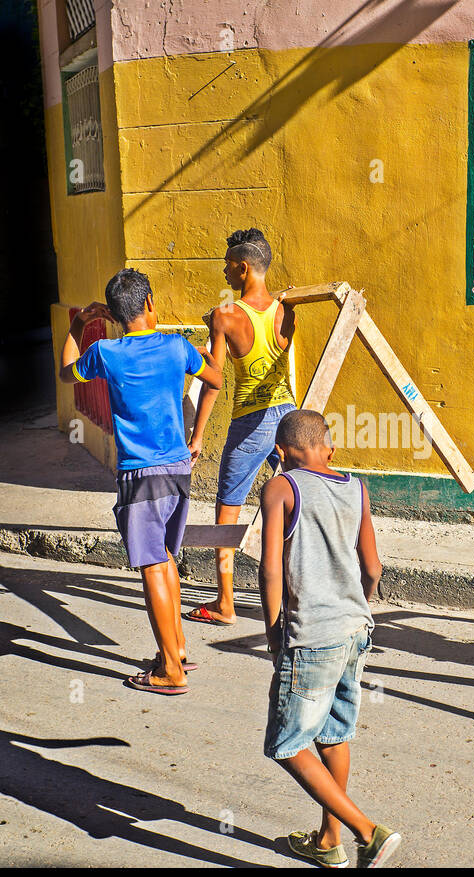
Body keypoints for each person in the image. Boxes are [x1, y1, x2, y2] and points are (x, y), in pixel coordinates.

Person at [58, 268, 222, 695]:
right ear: (151, 303)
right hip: (178, 468)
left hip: (139, 474)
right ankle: (177, 649)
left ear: (112, 316)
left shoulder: (107, 353)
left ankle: (170, 669)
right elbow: (217, 379)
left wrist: (78, 324)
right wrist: (197, 434)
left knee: (151, 565)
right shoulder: (175, 347)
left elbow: (65, 373)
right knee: (165, 557)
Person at [258, 409, 401, 868]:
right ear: (329, 450)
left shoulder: (281, 488)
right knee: (333, 737)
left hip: (312, 636)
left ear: (279, 454)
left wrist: (274, 635)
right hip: (355, 629)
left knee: (287, 744)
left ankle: (367, 832)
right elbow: (374, 568)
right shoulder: (356, 487)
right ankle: (327, 841)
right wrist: (357, 604)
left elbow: (270, 570)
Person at [184, 228, 297, 626]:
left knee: (226, 511)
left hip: (250, 419)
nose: (225, 274)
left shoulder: (225, 316)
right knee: (294, 504)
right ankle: (294, 596)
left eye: (229, 267)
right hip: (288, 415)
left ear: (245, 268)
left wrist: (197, 437)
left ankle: (225, 602)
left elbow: (214, 381)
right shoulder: (288, 310)